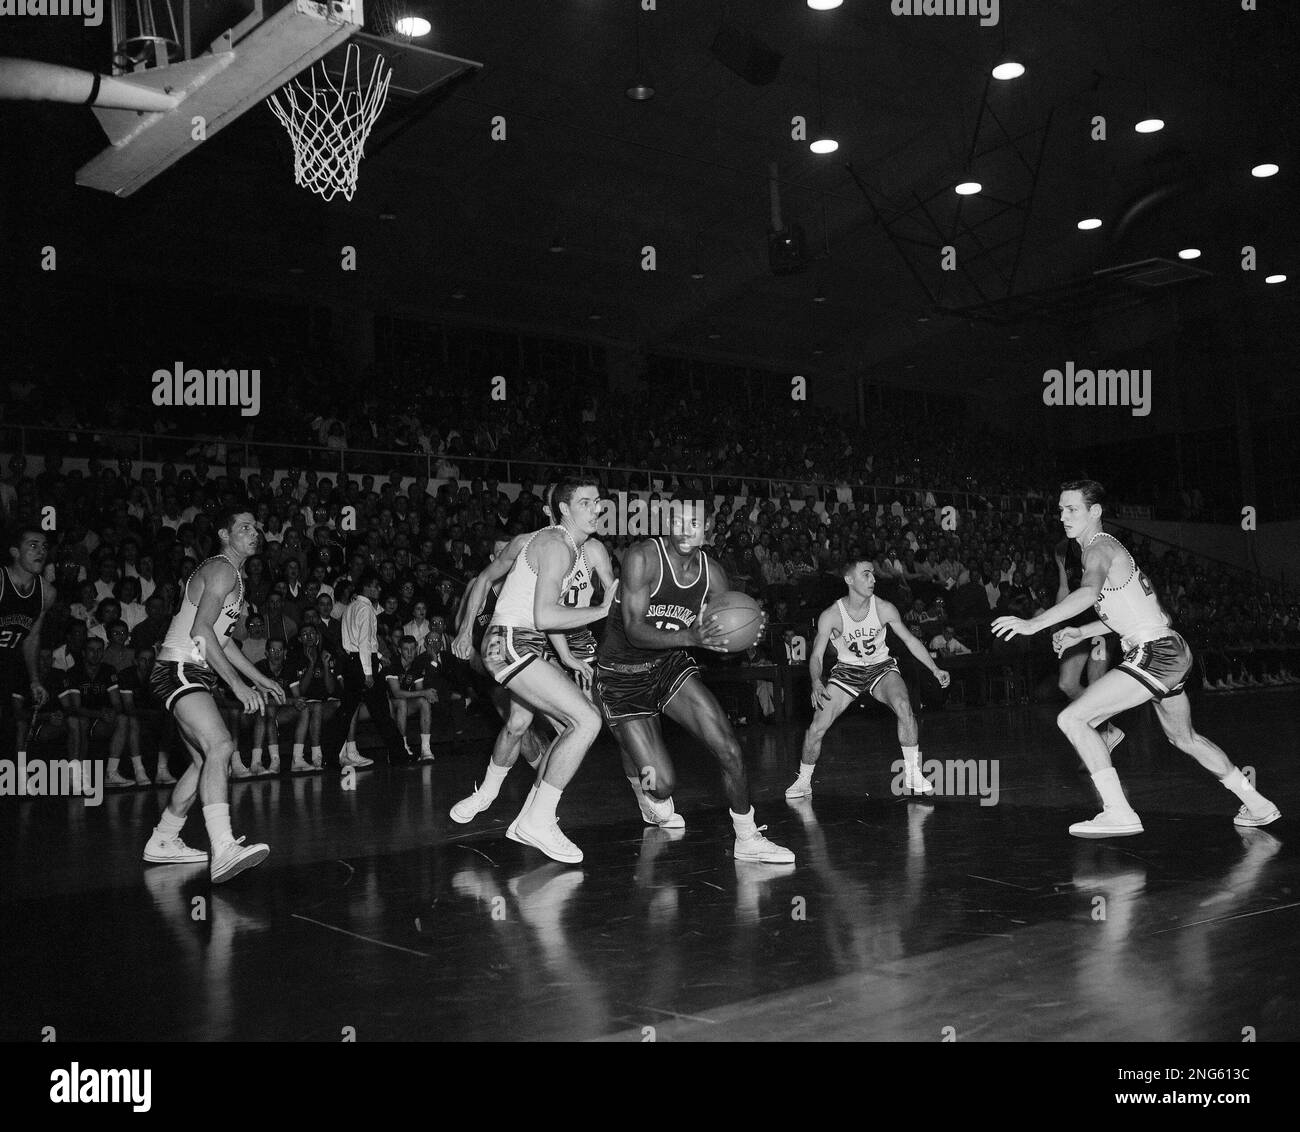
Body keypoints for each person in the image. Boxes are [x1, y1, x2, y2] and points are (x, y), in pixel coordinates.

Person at [992, 480, 1281, 837]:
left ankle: (1118, 811)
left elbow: (1086, 593)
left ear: (1094, 512)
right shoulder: (1112, 549)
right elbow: (1128, 613)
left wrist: (1033, 623)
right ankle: (1258, 805)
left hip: (1155, 653)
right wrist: (1081, 633)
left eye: (1072, 510)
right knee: (1184, 738)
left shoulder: (1096, 549)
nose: (1063, 516)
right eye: (1060, 509)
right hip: (1169, 649)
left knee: (1073, 718)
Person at [595, 499, 794, 863]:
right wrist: (692, 637)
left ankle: (747, 837)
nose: (687, 530)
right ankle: (639, 776)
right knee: (663, 785)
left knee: (729, 748)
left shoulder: (713, 574)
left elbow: (722, 638)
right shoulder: (642, 558)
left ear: (707, 531)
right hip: (621, 679)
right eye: (679, 522)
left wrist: (746, 634)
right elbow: (635, 630)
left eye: (695, 524)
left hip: (669, 666)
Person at [473, 480, 617, 863]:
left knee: (575, 724)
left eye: (597, 501)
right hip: (509, 643)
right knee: (586, 721)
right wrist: (602, 611)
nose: (595, 508)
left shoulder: (569, 546)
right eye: (585, 502)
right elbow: (544, 615)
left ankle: (532, 818)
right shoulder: (555, 545)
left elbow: (546, 616)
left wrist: (567, 657)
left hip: (523, 644)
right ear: (564, 510)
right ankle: (535, 820)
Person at [143, 509, 287, 883]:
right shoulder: (222, 569)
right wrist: (238, 687)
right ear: (225, 533)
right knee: (222, 744)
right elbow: (201, 631)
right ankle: (222, 848)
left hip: (188, 672)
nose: (253, 532)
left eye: (256, 526)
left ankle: (164, 837)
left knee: (205, 761)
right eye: (244, 527)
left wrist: (258, 678)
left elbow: (223, 640)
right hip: (178, 670)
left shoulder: (233, 577)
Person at [786, 560, 951, 800]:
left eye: (873, 575)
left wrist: (935, 669)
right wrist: (816, 681)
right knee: (816, 727)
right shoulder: (832, 615)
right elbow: (817, 656)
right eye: (866, 575)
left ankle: (913, 773)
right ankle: (803, 780)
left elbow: (910, 641)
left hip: (880, 667)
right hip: (847, 671)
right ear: (849, 580)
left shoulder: (884, 608)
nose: (873, 579)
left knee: (905, 706)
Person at [325, 570, 416, 769]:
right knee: (381, 712)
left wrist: (379, 656)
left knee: (347, 711)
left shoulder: (350, 607)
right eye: (376, 586)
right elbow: (364, 642)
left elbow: (354, 640)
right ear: (367, 587)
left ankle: (329, 756)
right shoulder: (365, 609)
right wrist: (368, 672)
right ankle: (399, 754)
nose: (379, 589)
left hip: (352, 662)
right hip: (363, 665)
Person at [1054, 534, 1123, 754]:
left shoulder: (1101, 546)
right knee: (1067, 684)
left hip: (1101, 622)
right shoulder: (1061, 550)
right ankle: (1104, 727)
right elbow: (1064, 588)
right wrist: (1056, 621)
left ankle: (1100, 738)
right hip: (1076, 623)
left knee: (1096, 683)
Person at [1, 524, 55, 753]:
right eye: (33, 545)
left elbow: (32, 639)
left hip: (8, 663)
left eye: (44, 547)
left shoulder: (47, 592)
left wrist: (34, 680)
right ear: (15, 552)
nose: (40, 551)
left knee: (8, 728)